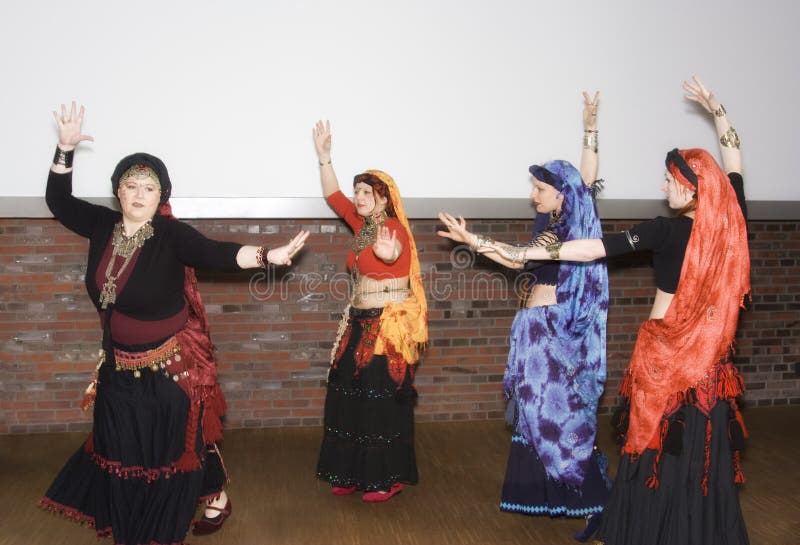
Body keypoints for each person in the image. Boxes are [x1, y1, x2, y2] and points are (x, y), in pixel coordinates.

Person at [482, 78, 751, 545]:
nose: (663, 184)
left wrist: (536, 254)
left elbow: (594, 251)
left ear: (691, 190)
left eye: (670, 178)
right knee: (697, 451)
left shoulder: (664, 232)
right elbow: (734, 167)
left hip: (667, 361)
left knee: (655, 446)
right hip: (709, 364)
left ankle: (648, 530)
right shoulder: (731, 224)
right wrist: (718, 113)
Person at [38, 102, 309, 545]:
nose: (140, 193)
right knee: (125, 450)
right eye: (131, 185)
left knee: (172, 450)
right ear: (118, 192)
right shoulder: (102, 226)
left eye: (150, 187)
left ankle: (178, 516)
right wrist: (64, 149)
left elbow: (217, 252)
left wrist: (266, 256)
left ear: (161, 195)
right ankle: (156, 516)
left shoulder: (170, 236)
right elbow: (58, 201)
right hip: (117, 366)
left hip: (169, 368)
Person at [437, 93, 610, 540]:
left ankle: (595, 502)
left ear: (559, 195)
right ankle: (559, 497)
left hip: (557, 332)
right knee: (536, 416)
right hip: (534, 330)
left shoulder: (574, 225)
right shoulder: (545, 223)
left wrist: (590, 130)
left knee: (561, 417)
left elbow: (518, 258)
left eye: (539, 188)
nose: (531, 194)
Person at [311, 120, 428, 502]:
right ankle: (349, 471)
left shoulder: (391, 227)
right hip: (358, 322)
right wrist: (325, 157)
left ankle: (385, 478)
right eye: (358, 190)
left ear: (383, 197)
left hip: (387, 326)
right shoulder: (362, 224)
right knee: (349, 394)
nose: (358, 197)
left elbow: (395, 255)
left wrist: (388, 254)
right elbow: (333, 196)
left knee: (381, 399)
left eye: (367, 192)